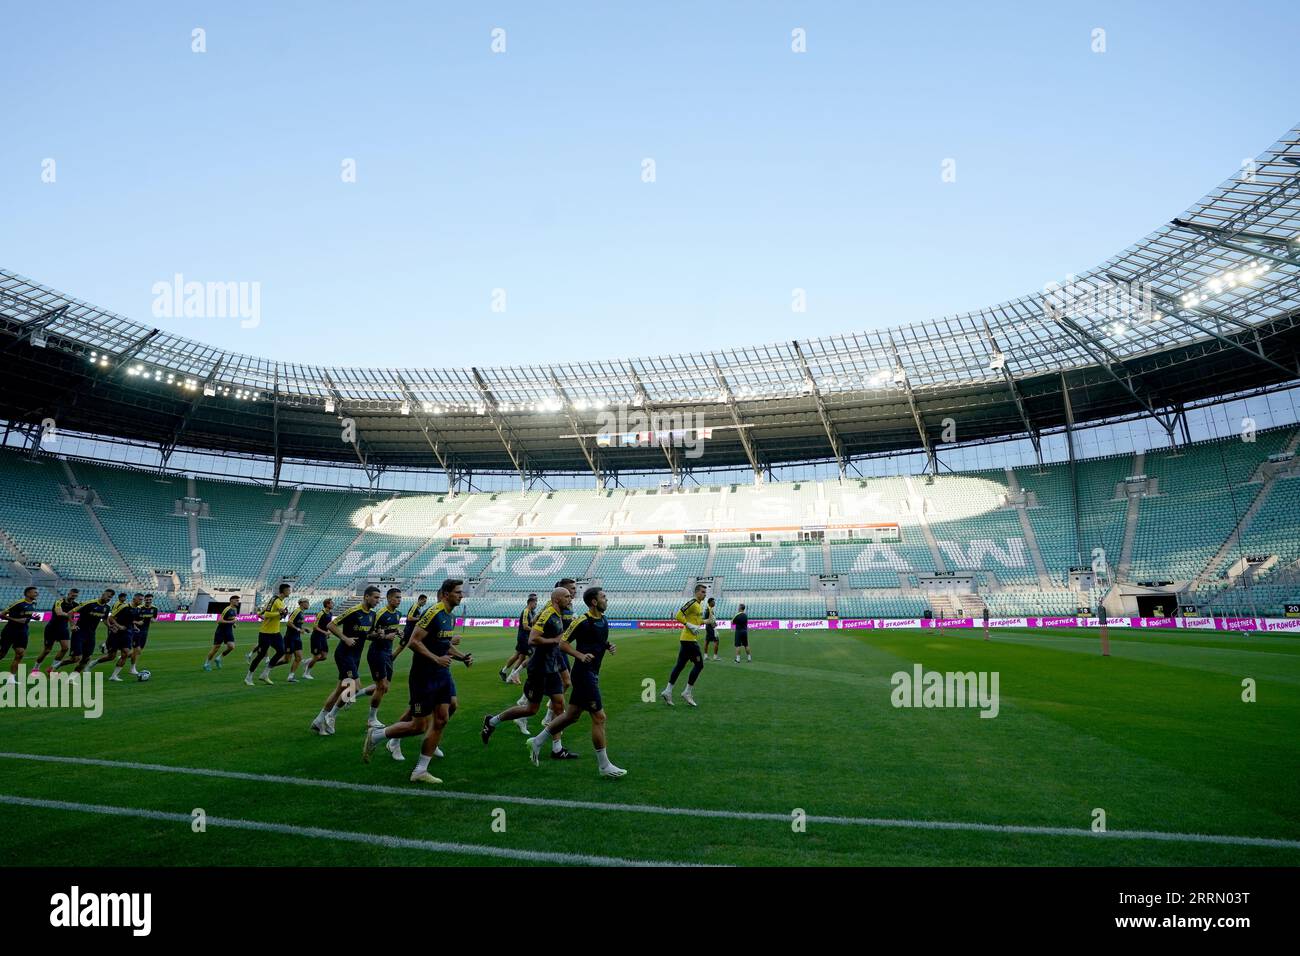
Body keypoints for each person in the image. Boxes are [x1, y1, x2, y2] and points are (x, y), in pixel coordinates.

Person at [364, 579, 474, 782]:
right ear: (446, 594)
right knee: (418, 726)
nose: (461, 595)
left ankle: (420, 770)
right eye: (458, 592)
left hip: (441, 673)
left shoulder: (450, 616)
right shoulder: (433, 613)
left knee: (443, 717)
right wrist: (436, 659)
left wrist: (462, 657)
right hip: (424, 675)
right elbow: (414, 642)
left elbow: (443, 644)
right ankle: (377, 736)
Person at [525, 587, 626, 777]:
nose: (607, 599)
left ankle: (537, 741)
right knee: (599, 717)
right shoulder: (581, 621)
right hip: (583, 674)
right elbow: (562, 643)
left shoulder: (603, 620)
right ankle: (604, 766)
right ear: (594, 601)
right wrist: (580, 655)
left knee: (571, 715)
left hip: (593, 672)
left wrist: (607, 645)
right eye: (603, 597)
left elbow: (597, 641)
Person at [480, 586, 581, 759]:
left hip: (552, 668)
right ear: (557, 599)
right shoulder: (548, 614)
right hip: (539, 669)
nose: (570, 598)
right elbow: (532, 639)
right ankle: (492, 721)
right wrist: (554, 640)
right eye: (566, 596)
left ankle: (557, 749)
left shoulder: (559, 615)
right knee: (531, 709)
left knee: (559, 706)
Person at [309, 586, 381, 736]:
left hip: (356, 656)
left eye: (378, 598)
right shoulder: (353, 611)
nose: (377, 601)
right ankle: (330, 715)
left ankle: (320, 719)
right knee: (355, 687)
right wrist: (345, 638)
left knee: (341, 689)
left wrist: (378, 635)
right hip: (344, 653)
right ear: (366, 597)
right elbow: (330, 625)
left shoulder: (372, 615)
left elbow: (367, 635)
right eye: (375, 597)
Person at [356, 588, 403, 730]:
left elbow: (389, 629)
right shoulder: (380, 614)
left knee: (384, 687)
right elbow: (369, 634)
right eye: (396, 597)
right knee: (381, 686)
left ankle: (355, 695)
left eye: (400, 597)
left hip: (387, 653)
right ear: (389, 598)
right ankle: (371, 719)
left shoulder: (398, 614)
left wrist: (397, 632)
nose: (399, 600)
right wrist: (385, 636)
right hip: (377, 652)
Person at [660, 583, 707, 707]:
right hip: (689, 640)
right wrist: (688, 625)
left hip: (687, 640)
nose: (704, 594)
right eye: (702, 592)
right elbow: (678, 616)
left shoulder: (699, 605)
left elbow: (697, 622)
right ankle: (687, 692)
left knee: (680, 666)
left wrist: (708, 621)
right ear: (696, 592)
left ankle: (668, 691)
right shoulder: (692, 603)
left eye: (705, 592)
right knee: (699, 665)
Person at [246, 583, 291, 686]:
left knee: (281, 651)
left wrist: (282, 614)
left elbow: (262, 612)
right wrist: (279, 613)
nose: (290, 592)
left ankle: (265, 674)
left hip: (275, 632)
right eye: (288, 590)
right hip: (266, 633)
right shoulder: (275, 600)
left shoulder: (280, 602)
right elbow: (267, 614)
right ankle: (248, 677)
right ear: (283, 591)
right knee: (261, 654)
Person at [66, 589, 115, 674]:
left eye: (110, 597)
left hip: (91, 635)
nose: (109, 598)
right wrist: (72, 625)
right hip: (79, 632)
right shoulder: (89, 603)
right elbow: (70, 613)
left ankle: (72, 677)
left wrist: (110, 626)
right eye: (108, 596)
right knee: (76, 658)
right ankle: (56, 666)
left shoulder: (107, 607)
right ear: (103, 594)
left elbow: (104, 619)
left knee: (87, 658)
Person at [0, 586, 39, 683]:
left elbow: (26, 616)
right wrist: (16, 620)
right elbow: (2, 614)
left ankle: (11, 678)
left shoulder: (34, 603)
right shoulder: (18, 603)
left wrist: (34, 618)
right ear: (28, 593)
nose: (37, 594)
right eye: (34, 592)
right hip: (10, 631)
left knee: (20, 653)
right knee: (2, 653)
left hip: (23, 632)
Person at [34, 588, 78, 674]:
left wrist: (73, 624)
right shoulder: (59, 602)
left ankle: (52, 669)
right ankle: (35, 668)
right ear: (68, 594)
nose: (73, 597)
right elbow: (59, 613)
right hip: (52, 628)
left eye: (75, 596)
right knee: (47, 650)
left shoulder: (76, 604)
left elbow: (76, 616)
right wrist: (70, 615)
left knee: (65, 648)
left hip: (63, 628)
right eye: (72, 595)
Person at [500, 593, 538, 683]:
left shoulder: (532, 612)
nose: (536, 604)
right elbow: (525, 626)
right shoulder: (526, 611)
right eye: (535, 602)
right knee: (532, 655)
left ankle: (506, 673)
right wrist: (534, 630)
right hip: (524, 638)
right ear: (530, 602)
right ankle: (513, 674)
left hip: (526, 637)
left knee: (520, 656)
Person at [204, 595, 241, 670]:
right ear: (232, 601)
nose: (238, 601)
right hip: (221, 630)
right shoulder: (227, 609)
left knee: (231, 647)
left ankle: (218, 658)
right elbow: (219, 621)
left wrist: (234, 624)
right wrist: (231, 622)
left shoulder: (235, 609)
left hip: (229, 630)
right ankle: (207, 663)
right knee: (216, 648)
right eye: (236, 600)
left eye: (238, 600)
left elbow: (232, 618)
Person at [302, 598, 334, 679]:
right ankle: (306, 673)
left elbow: (327, 625)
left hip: (323, 637)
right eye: (331, 603)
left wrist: (327, 633)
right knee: (317, 656)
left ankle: (307, 661)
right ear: (327, 604)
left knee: (324, 656)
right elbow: (315, 627)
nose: (333, 604)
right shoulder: (321, 613)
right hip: (316, 637)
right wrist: (325, 632)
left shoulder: (330, 613)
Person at [392, 594, 429, 663]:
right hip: (408, 631)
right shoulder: (415, 607)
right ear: (420, 600)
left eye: (425, 602)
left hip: (412, 631)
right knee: (400, 648)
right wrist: (419, 619)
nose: (425, 603)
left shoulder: (418, 608)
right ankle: (389, 661)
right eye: (424, 601)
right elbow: (409, 618)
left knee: (416, 648)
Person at [282, 598, 309, 682]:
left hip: (297, 638)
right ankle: (270, 666)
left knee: (299, 657)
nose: (308, 604)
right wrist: (298, 629)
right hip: (290, 638)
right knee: (286, 660)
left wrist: (304, 628)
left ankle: (291, 676)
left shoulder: (302, 612)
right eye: (306, 602)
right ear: (301, 603)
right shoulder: (297, 611)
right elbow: (289, 623)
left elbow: (297, 624)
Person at [131, 593, 158, 676]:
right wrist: (137, 623)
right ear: (144, 600)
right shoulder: (139, 608)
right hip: (136, 631)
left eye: (150, 600)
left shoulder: (154, 609)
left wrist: (153, 620)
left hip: (145, 631)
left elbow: (154, 618)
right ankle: (132, 668)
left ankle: (124, 656)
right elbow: (130, 620)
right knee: (137, 650)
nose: (148, 601)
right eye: (147, 599)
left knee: (139, 651)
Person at [703, 596, 720, 660]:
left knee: (707, 641)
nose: (714, 603)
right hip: (710, 628)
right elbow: (707, 619)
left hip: (709, 627)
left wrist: (714, 623)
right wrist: (713, 625)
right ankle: (715, 656)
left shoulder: (709, 609)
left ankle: (705, 656)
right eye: (713, 602)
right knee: (716, 641)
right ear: (710, 603)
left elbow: (711, 619)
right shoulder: (708, 610)